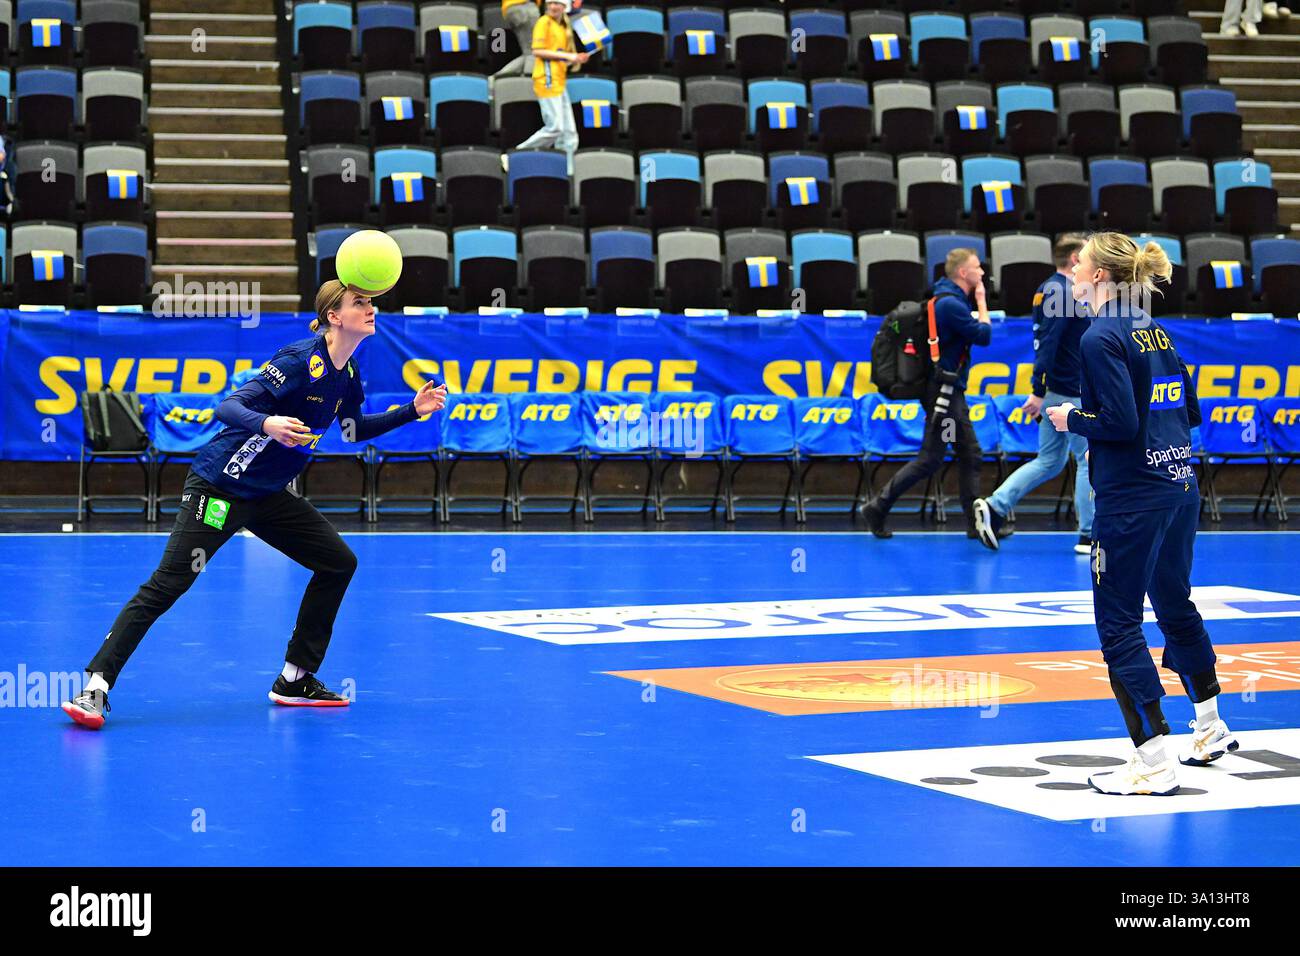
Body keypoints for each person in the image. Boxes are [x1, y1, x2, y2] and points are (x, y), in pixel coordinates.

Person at [61, 281, 449, 729]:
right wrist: (268, 423)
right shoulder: (298, 361)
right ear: (334, 316)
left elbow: (351, 430)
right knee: (168, 585)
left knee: (338, 563)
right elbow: (228, 407)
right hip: (219, 489)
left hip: (269, 496)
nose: (370, 309)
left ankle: (295, 678)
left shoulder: (348, 374)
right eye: (359, 303)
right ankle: (95, 687)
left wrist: (412, 410)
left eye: (371, 302)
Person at [1044, 233, 1236, 796]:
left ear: (1100, 276)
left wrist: (1071, 419)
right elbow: (1189, 411)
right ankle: (1210, 727)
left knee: (1119, 624)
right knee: (1175, 603)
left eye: (1079, 265)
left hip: (1132, 501)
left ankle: (1152, 759)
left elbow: (1121, 423)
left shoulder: (1099, 335)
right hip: (1179, 487)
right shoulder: (1154, 329)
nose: (1072, 274)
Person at [974, 234, 1093, 554]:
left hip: (1058, 390)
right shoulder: (1062, 292)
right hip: (1068, 392)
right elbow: (1047, 346)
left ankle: (995, 506)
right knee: (1088, 458)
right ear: (1074, 259)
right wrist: (1038, 391)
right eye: (1087, 255)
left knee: (1050, 461)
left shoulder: (1048, 288)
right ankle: (1089, 534)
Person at [861, 249, 991, 539]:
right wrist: (982, 301)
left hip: (944, 390)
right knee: (956, 455)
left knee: (946, 456)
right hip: (945, 393)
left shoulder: (946, 299)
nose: (982, 272)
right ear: (963, 273)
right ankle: (879, 507)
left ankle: (879, 508)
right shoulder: (951, 305)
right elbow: (984, 335)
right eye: (977, 267)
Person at [513, 0, 588, 175]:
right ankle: (516, 154)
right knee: (555, 127)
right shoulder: (543, 22)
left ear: (564, 7)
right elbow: (537, 51)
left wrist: (576, 58)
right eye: (551, 3)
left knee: (569, 134)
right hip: (546, 80)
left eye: (557, 3)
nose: (553, 7)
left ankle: (566, 172)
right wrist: (569, 56)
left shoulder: (562, 27)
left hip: (559, 81)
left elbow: (561, 56)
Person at [494, 0, 541, 78]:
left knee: (529, 53)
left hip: (511, 8)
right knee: (533, 52)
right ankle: (527, 80)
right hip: (525, 8)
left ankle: (497, 77)